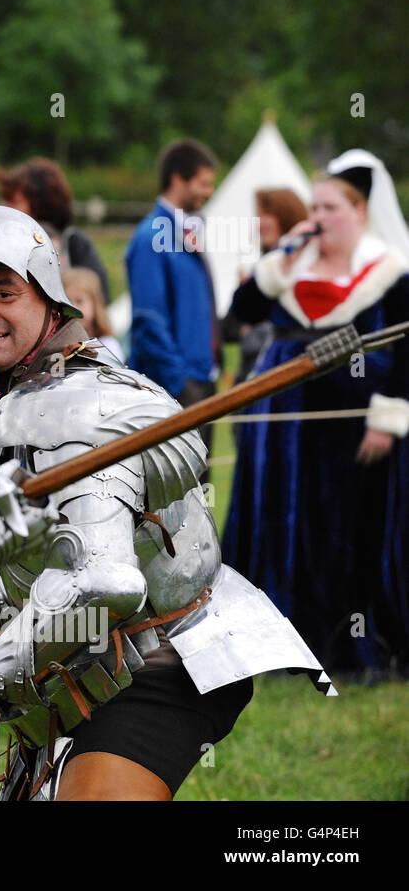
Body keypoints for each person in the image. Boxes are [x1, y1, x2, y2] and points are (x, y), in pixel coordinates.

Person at [0, 205, 331, 800]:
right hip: (84, 662)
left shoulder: (76, 407)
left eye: (3, 292)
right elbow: (33, 568)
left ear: (48, 299)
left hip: (163, 656)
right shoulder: (17, 408)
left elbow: (104, 581)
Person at [223, 151, 409, 680]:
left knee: (345, 524)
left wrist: (387, 418)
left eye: (331, 206)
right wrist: (280, 259)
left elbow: (406, 355)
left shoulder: (387, 270)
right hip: (285, 428)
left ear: (359, 210)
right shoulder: (292, 262)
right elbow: (245, 311)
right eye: (315, 205)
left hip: (353, 421)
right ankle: (275, 640)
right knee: (283, 521)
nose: (320, 215)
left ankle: (347, 646)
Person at [125, 138, 220, 450]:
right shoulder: (151, 237)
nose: (209, 192)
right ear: (178, 179)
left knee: (198, 488)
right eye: (204, 184)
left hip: (201, 381)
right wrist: (182, 384)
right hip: (174, 389)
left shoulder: (187, 232)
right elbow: (148, 320)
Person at [0, 157, 111, 302]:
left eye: (13, 201)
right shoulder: (1, 245)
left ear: (40, 203)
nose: (5, 207)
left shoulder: (75, 244)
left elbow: (99, 302)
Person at [225, 187, 309, 384]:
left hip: (282, 371)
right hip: (254, 369)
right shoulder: (261, 269)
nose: (259, 223)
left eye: (267, 215)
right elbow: (232, 326)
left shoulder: (304, 268)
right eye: (258, 216)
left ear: (287, 216)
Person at [62, 266, 123, 362]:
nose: (73, 308)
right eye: (68, 301)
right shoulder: (58, 347)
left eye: (79, 301)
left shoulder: (108, 346)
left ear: (95, 304)